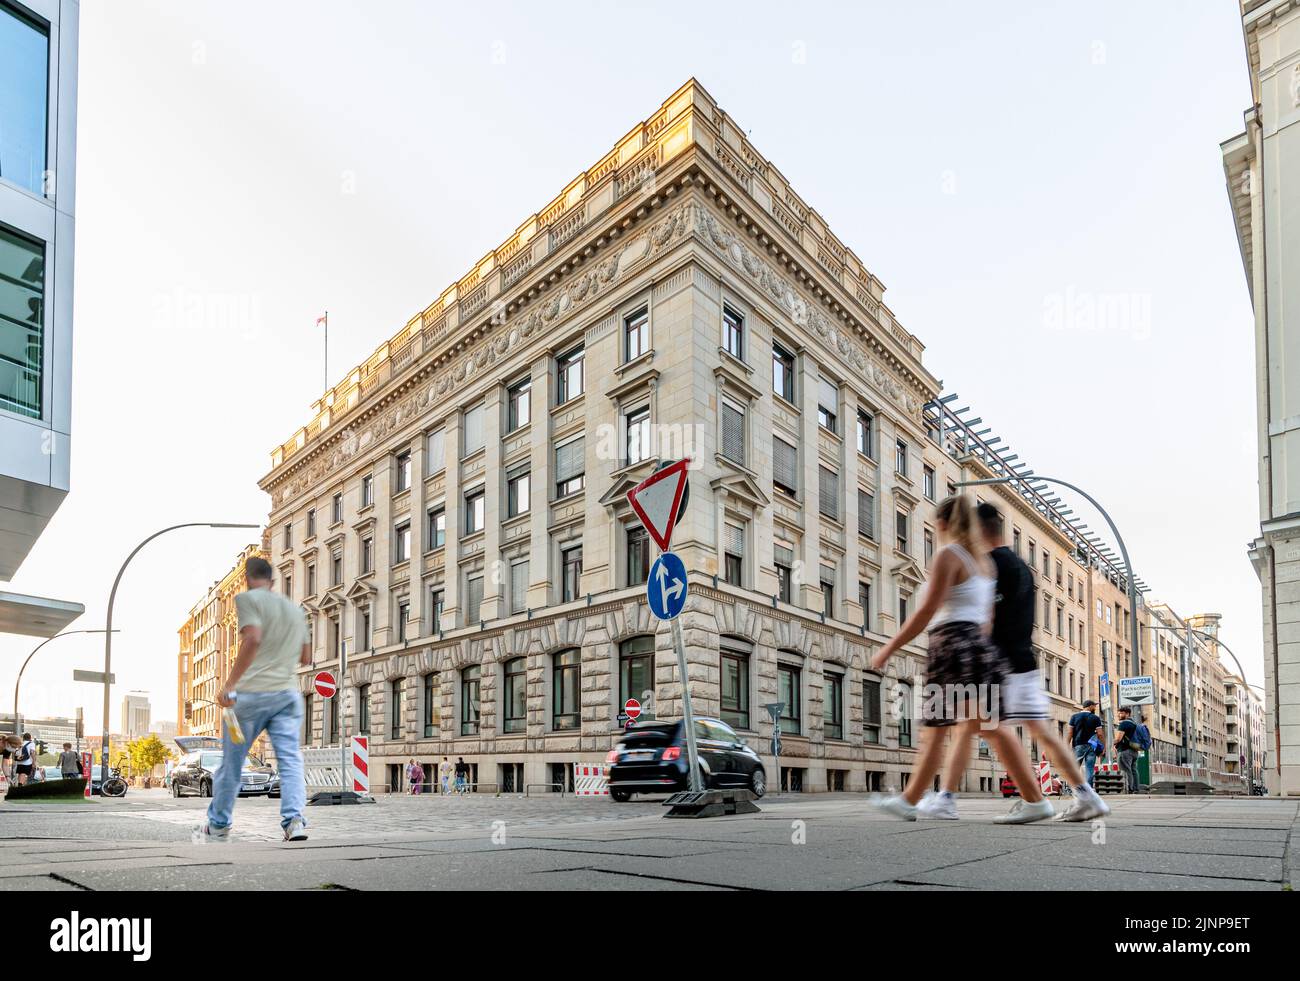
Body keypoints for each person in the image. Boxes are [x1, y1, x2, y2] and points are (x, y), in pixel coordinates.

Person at [870, 494, 1051, 823]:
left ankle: (913, 800)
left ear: (943, 523)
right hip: (976, 647)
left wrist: (889, 647)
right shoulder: (985, 563)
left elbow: (926, 611)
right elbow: (988, 619)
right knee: (979, 726)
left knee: (943, 729)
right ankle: (1033, 799)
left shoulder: (949, 555)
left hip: (951, 645)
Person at [924, 504, 1110, 823]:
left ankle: (951, 799)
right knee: (1037, 733)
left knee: (974, 728)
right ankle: (1084, 796)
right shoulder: (1022, 566)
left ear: (979, 531)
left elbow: (982, 617)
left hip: (999, 664)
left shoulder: (990, 565)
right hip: (1025, 660)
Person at [197, 557, 312, 843]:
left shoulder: (248, 599)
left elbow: (253, 638)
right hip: (287, 694)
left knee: (232, 763)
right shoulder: (295, 611)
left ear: (248, 578)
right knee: (290, 760)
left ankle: (219, 823)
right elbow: (306, 656)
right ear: (272, 581)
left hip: (252, 695)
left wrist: (230, 684)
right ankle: (294, 821)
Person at [1068, 699, 1104, 787]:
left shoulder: (1074, 717)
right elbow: (1100, 734)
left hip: (1078, 745)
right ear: (1090, 706)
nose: (1095, 707)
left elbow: (1070, 733)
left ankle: (1074, 787)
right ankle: (1089, 789)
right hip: (1092, 745)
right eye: (1094, 705)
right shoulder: (1095, 718)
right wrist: (1103, 746)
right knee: (1090, 768)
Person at [1115, 706, 1141, 794]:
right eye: (1118, 712)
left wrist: (1113, 745)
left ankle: (1129, 788)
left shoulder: (1124, 724)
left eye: (1121, 713)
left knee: (1126, 771)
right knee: (1134, 770)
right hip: (1134, 750)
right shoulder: (1134, 723)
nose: (1119, 714)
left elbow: (1118, 738)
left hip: (1124, 751)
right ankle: (1136, 788)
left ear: (1127, 714)